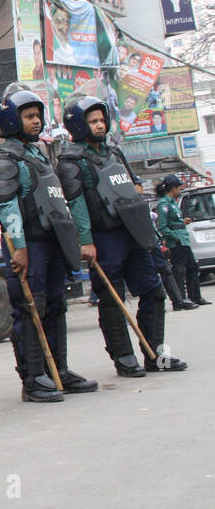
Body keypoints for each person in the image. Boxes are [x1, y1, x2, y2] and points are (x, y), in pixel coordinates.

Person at [55, 97, 187, 375]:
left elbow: (133, 184)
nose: (100, 125)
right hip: (104, 237)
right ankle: (124, 358)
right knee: (112, 299)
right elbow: (76, 202)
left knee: (155, 291)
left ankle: (156, 353)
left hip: (133, 232)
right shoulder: (70, 159)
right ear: (78, 124)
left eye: (101, 120)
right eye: (93, 121)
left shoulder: (114, 151)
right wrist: (86, 241)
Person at [0, 86, 97, 402]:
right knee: (30, 309)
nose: (36, 121)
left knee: (55, 307)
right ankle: (34, 378)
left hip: (51, 243)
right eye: (29, 116)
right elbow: (7, 206)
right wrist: (19, 247)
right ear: (12, 119)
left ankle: (58, 371)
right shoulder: (4, 158)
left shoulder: (38, 153)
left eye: (38, 116)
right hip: (30, 246)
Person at [155, 176, 207, 307]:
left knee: (193, 268)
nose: (180, 189)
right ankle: (180, 300)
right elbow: (162, 226)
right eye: (178, 187)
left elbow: (174, 222)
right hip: (177, 242)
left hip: (183, 240)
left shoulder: (172, 202)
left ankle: (195, 297)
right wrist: (175, 236)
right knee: (179, 271)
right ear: (173, 188)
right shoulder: (164, 204)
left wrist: (183, 222)